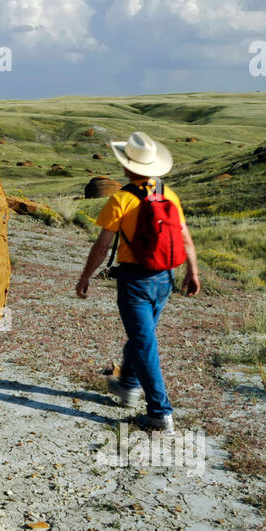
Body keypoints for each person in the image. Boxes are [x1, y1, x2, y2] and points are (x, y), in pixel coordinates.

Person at [74, 132, 200, 432]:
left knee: (145, 343)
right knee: (142, 338)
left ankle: (160, 412)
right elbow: (184, 237)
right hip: (164, 280)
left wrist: (85, 276)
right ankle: (129, 384)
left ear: (128, 167)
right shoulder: (168, 194)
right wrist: (193, 272)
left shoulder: (121, 199)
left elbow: (102, 246)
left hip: (134, 282)